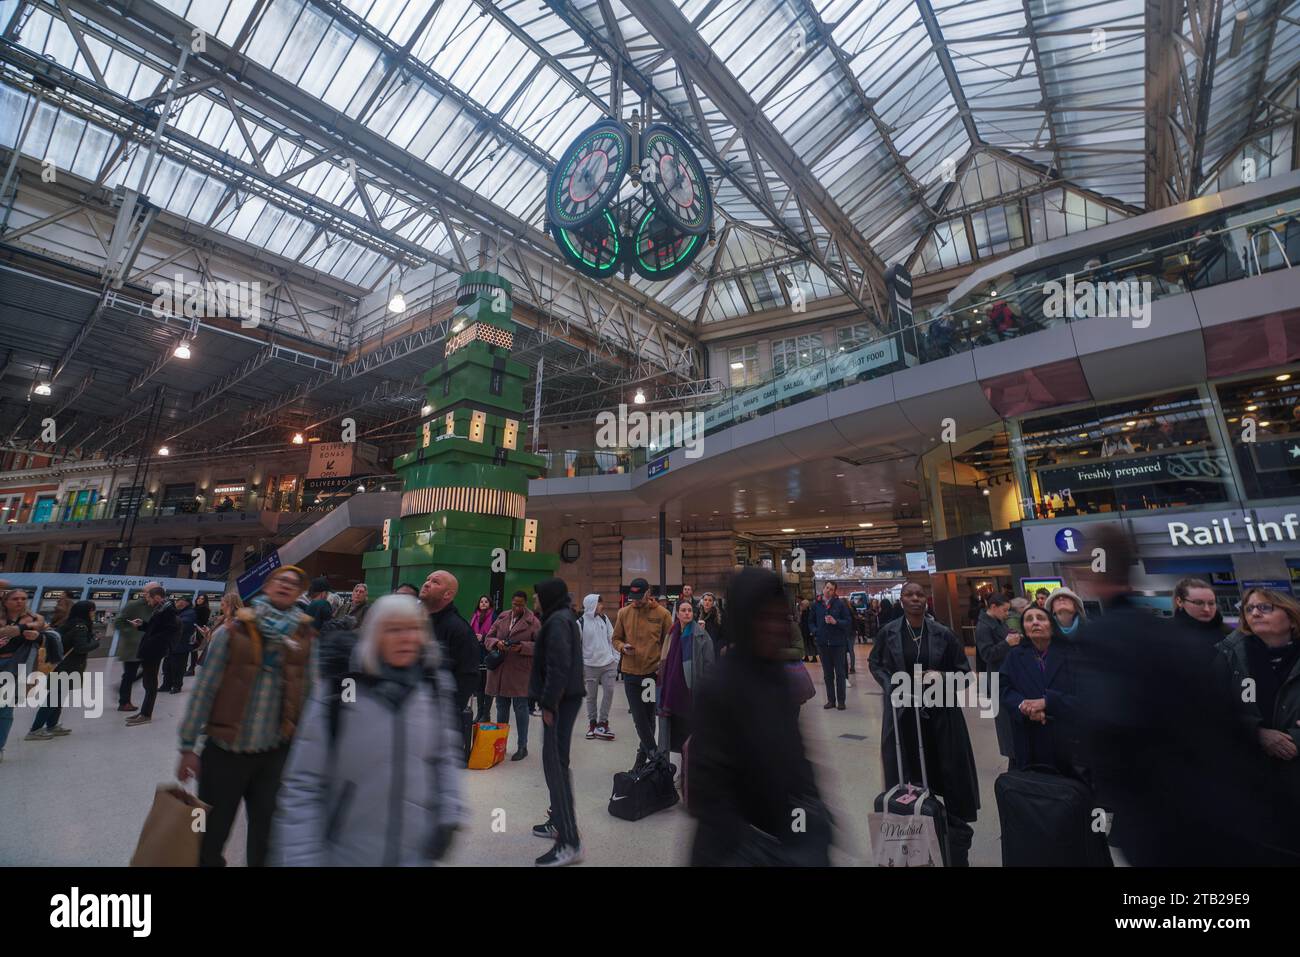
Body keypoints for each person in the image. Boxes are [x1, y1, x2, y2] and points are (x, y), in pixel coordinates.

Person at [1072, 527, 1290, 864]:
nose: (1207, 608)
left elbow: (1106, 728)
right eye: (1199, 602)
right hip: (1224, 807)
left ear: (1094, 572)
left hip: (1164, 819)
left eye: (1210, 602)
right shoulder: (1164, 634)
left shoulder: (1107, 637)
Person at [271, 594, 466, 865]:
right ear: (374, 634)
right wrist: (301, 857)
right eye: (394, 629)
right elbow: (304, 784)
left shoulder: (432, 686)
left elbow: (445, 757)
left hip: (414, 855)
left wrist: (449, 812)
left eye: (415, 628)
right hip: (346, 855)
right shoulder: (340, 691)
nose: (407, 638)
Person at [688, 568, 830, 866]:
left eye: (780, 618)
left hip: (779, 837)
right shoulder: (717, 686)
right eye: (764, 618)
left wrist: (810, 817)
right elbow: (707, 791)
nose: (774, 628)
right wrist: (757, 850)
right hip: (729, 852)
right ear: (744, 620)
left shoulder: (777, 678)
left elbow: (796, 760)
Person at [176, 565, 315, 867]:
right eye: (281, 580)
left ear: (298, 594)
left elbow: (309, 694)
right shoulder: (233, 631)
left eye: (294, 584)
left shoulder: (304, 638)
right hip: (226, 750)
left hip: (274, 753)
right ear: (267, 586)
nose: (286, 585)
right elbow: (205, 688)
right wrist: (187, 746)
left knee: (267, 837)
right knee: (211, 835)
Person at [868, 581, 980, 866]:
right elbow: (875, 663)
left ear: (926, 600)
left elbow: (965, 674)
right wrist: (891, 684)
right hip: (903, 718)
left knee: (949, 777)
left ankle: (954, 842)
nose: (915, 599)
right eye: (909, 594)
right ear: (901, 600)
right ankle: (913, 845)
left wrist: (941, 677)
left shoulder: (943, 633)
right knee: (906, 777)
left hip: (941, 718)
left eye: (920, 594)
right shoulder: (888, 632)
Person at [1214, 588, 1300, 853]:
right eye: (1249, 608)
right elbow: (1211, 707)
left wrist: (1295, 739)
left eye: (1265, 607)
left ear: (1291, 618)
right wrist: (1256, 732)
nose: (1255, 613)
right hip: (1252, 772)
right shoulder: (1230, 656)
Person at [529, 577, 586, 867]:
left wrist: (549, 703)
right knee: (556, 763)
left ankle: (568, 841)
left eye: (537, 595)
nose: (534, 600)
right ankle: (559, 822)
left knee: (556, 767)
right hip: (565, 699)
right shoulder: (562, 618)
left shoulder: (557, 622)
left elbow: (559, 665)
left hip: (561, 702)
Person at [1000, 605, 1080, 773]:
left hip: (1067, 737)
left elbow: (1084, 694)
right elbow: (1002, 687)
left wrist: (1048, 702)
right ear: (1024, 629)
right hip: (1029, 737)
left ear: (1052, 625)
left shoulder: (1071, 653)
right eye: (1029, 619)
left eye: (1041, 618)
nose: (1035, 622)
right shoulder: (1014, 656)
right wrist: (1023, 706)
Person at [611, 578, 673, 768]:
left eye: (639, 597)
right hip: (630, 674)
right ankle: (654, 755)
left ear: (648, 593)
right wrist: (622, 647)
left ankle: (640, 761)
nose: (635, 601)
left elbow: (669, 642)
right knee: (639, 718)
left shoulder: (662, 614)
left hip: (650, 675)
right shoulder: (624, 613)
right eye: (633, 597)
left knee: (648, 718)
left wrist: (662, 666)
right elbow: (616, 639)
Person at [657, 599, 715, 767]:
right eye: (683, 610)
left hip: (690, 693)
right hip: (670, 693)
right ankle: (665, 770)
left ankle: (688, 770)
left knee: (689, 735)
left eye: (689, 610)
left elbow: (709, 665)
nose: (687, 613)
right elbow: (665, 661)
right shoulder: (671, 633)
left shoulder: (701, 635)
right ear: (677, 613)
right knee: (670, 733)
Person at [27, 600, 97, 739]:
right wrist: (96, 642)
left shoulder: (68, 624)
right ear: (87, 612)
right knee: (54, 699)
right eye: (92, 610)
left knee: (58, 698)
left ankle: (52, 725)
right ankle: (35, 730)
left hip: (60, 665)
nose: (93, 613)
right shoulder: (81, 627)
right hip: (68, 667)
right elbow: (81, 648)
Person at [1, 589, 59, 755]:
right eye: (15, 598)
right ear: (5, 601)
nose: (20, 601)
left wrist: (38, 637)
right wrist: (22, 627)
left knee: (5, 708)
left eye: (23, 598)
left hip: (14, 666)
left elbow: (53, 636)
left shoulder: (36, 619)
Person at [484, 591, 539, 760]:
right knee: (501, 707)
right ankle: (501, 744)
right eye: (515, 604)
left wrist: (522, 647)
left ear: (525, 604)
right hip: (500, 670)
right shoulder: (502, 617)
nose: (517, 607)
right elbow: (488, 638)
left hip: (519, 671)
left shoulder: (533, 622)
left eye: (520, 604)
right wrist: (497, 643)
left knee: (521, 708)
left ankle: (522, 746)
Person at [418, 570, 479, 715]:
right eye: (427, 579)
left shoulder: (459, 630)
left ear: (448, 594)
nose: (427, 584)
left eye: (435, 582)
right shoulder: (412, 621)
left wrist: (447, 713)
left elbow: (467, 677)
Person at [126, 587, 179, 726]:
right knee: (147, 682)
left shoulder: (168, 611)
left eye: (149, 598)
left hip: (154, 651)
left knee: (150, 683)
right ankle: (144, 712)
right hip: (150, 649)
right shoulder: (161, 609)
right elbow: (155, 629)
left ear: (157, 597)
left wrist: (151, 642)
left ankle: (146, 714)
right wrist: (142, 625)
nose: (148, 601)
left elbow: (168, 632)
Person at [974, 593, 1018, 764]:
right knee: (1005, 722)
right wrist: (1007, 643)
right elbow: (987, 654)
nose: (1006, 614)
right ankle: (1012, 758)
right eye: (1004, 610)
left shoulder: (998, 622)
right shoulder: (983, 627)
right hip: (997, 679)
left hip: (1007, 675)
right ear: (993, 607)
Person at [113, 584, 159, 712]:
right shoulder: (133, 605)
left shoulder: (158, 607)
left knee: (148, 673)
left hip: (149, 647)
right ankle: (124, 702)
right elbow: (118, 622)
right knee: (129, 674)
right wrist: (133, 635)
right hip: (133, 648)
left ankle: (144, 706)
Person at [579, 594, 617, 740]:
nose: (602, 606)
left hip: (608, 663)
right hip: (589, 665)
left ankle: (603, 723)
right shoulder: (580, 623)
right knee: (591, 696)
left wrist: (616, 658)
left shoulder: (604, 618)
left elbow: (612, 638)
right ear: (592, 605)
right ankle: (592, 724)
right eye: (599, 603)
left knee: (609, 691)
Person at [810, 582, 852, 710]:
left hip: (838, 644)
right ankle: (831, 700)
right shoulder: (816, 604)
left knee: (840, 673)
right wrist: (816, 631)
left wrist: (836, 621)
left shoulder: (840, 604)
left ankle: (841, 701)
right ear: (823, 588)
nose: (828, 590)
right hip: (823, 644)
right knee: (828, 674)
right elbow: (811, 621)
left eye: (831, 589)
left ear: (834, 592)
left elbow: (848, 621)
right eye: (827, 588)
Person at [1172, 577, 1230, 644]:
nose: (1207, 609)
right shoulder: (1170, 635)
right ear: (1179, 602)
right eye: (1198, 603)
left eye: (1211, 603)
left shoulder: (1228, 632)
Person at [468, 594, 496, 723]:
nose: (483, 603)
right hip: (477, 653)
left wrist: (483, 638)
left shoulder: (494, 616)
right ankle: (479, 713)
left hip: (488, 653)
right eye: (481, 602)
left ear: (490, 604)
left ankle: (486, 714)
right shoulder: (475, 616)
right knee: (479, 685)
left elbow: (497, 634)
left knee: (487, 685)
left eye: (486, 602)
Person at [164, 595, 195, 693]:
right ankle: (166, 685)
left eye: (179, 601)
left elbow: (183, 625)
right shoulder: (179, 612)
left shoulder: (190, 613)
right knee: (167, 666)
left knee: (178, 667)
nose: (177, 602)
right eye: (177, 601)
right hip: (172, 644)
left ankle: (176, 686)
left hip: (181, 645)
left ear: (186, 602)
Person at [190, 594, 212, 675]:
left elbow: (202, 621)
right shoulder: (196, 608)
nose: (199, 600)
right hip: (195, 630)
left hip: (197, 631)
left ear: (205, 601)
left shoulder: (203, 609)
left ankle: (192, 668)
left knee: (193, 650)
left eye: (202, 599)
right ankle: (191, 668)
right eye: (198, 598)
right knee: (193, 650)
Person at [698, 592, 723, 658]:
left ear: (713, 603)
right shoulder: (697, 616)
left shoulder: (718, 617)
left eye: (710, 600)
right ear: (702, 602)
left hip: (714, 650)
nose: (707, 602)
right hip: (701, 650)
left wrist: (718, 647)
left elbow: (723, 636)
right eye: (705, 600)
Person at [797, 598, 815, 662]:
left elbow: (809, 622)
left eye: (802, 605)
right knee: (805, 644)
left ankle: (814, 657)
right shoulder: (803, 612)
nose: (801, 606)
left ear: (806, 605)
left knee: (810, 644)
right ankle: (806, 656)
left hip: (808, 630)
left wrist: (811, 631)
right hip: (804, 630)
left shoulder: (808, 612)